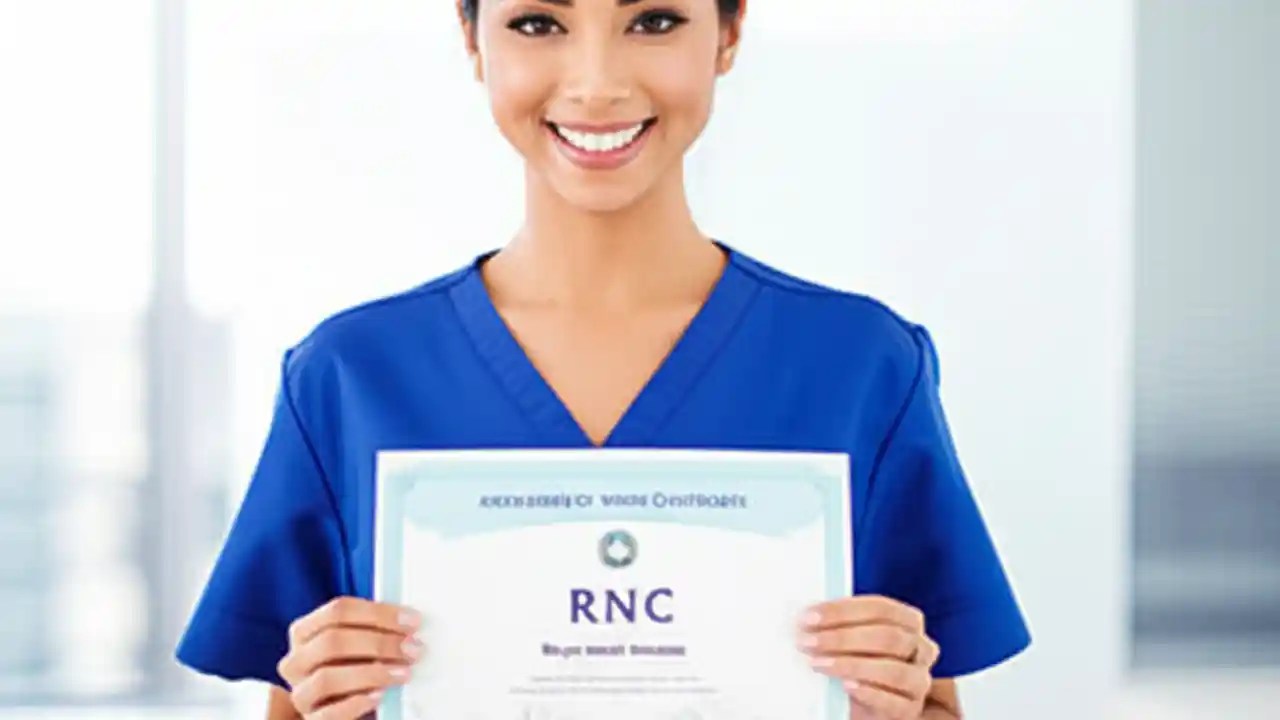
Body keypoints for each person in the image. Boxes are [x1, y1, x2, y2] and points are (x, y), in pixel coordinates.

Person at [175, 0, 1032, 718]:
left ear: (729, 34)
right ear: (472, 41)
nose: (595, 83)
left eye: (653, 20)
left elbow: (935, 701)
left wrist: (889, 693)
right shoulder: (349, 378)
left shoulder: (862, 369)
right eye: (539, 23)